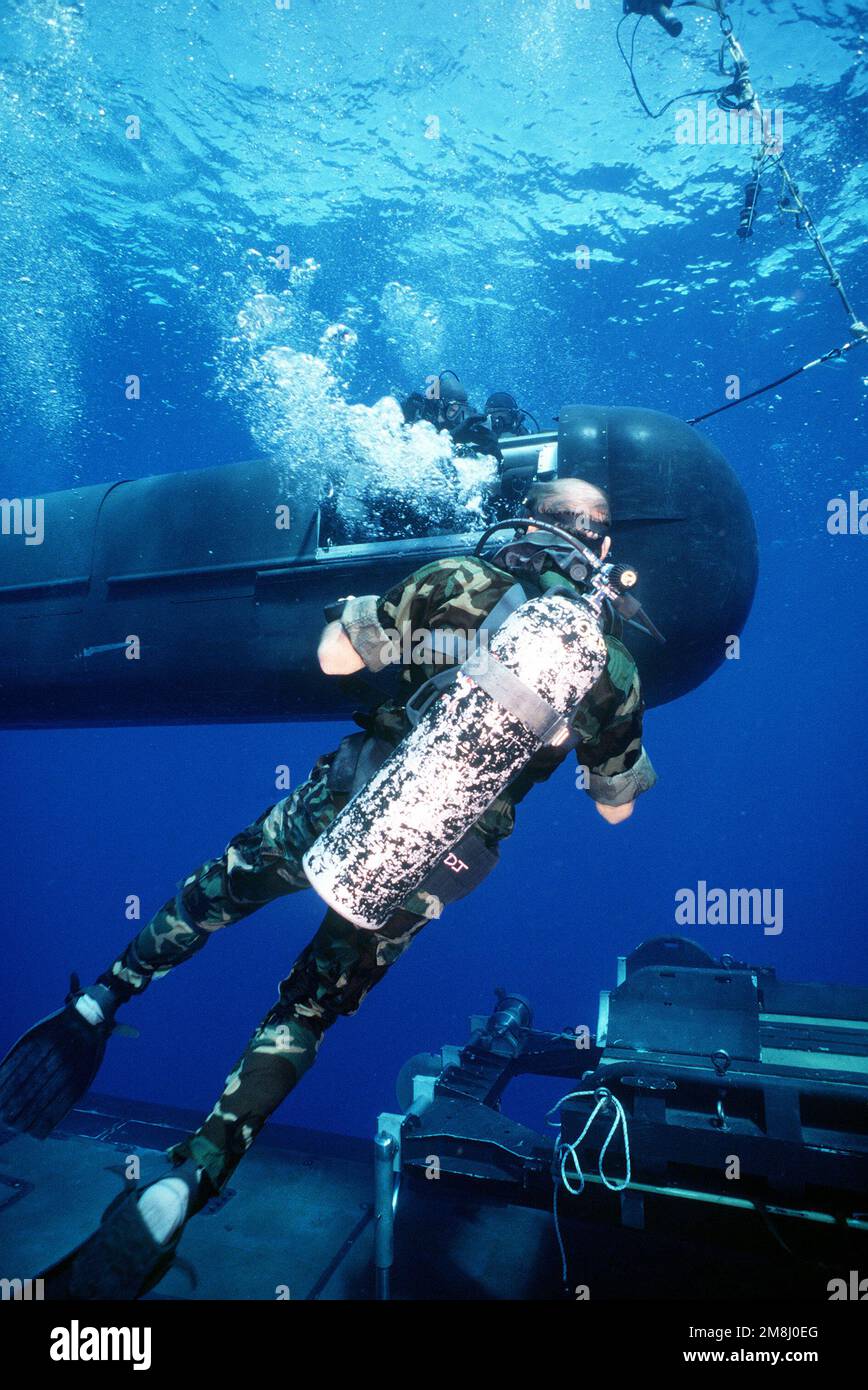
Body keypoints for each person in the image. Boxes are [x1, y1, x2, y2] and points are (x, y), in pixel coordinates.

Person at [0, 477, 657, 1299]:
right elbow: (616, 811)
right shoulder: (616, 666)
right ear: (598, 546)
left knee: (218, 892)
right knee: (306, 1009)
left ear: (529, 522)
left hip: (348, 792)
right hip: (437, 862)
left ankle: (101, 1002)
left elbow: (334, 657)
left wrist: (372, 620)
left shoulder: (465, 580)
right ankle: (192, 1178)